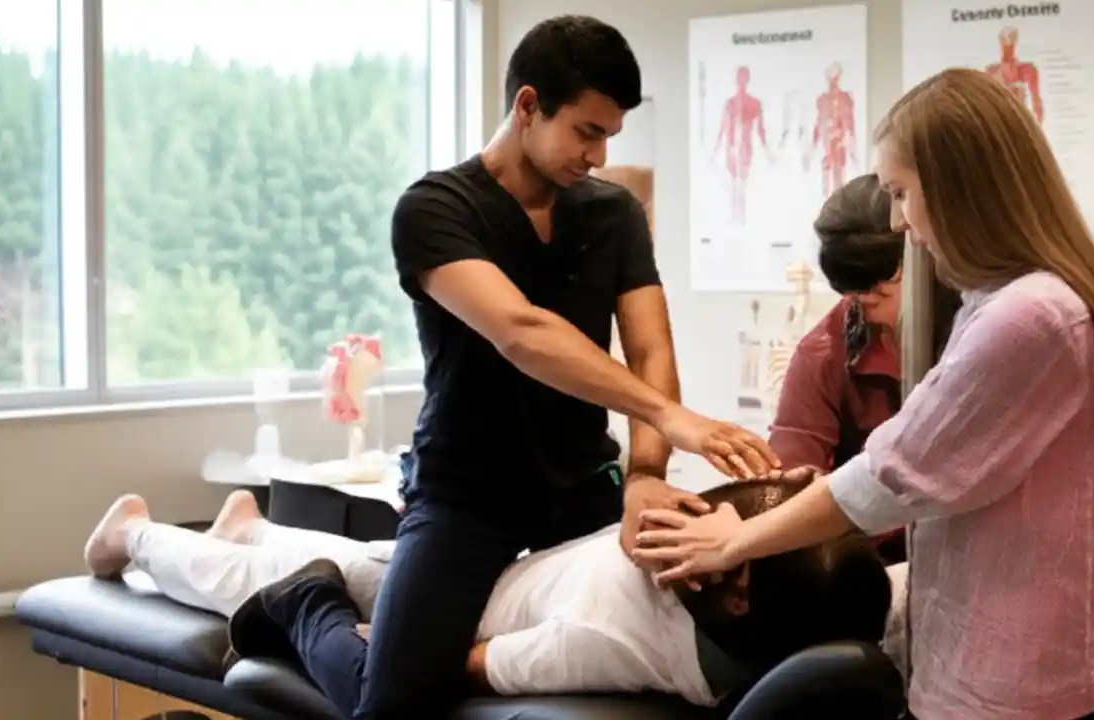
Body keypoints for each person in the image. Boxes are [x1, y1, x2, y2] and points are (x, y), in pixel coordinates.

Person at [230, 16, 779, 720]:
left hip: (582, 483)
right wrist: (672, 417)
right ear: (527, 106)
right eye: (586, 131)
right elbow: (521, 332)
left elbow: (650, 348)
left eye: (610, 134)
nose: (599, 153)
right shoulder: (434, 210)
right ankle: (307, 601)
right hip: (466, 491)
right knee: (391, 704)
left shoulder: (613, 214)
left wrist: (647, 473)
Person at [633, 67, 1094, 719]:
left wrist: (733, 543)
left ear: (958, 187)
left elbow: (890, 478)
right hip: (983, 670)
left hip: (1005, 693)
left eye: (903, 194)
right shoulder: (1005, 307)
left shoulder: (1031, 316)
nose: (901, 222)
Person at [82, 485, 890, 708]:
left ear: (737, 594)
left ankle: (137, 536)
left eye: (735, 533)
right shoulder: (781, 585)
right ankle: (250, 527)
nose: (720, 518)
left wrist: (382, 645)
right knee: (368, 556)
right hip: (489, 569)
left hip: (467, 609)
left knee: (296, 585)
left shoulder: (616, 641)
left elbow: (470, 667)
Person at [769, 174, 960, 565]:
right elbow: (791, 482)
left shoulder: (978, 334)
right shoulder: (823, 354)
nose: (861, 305)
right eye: (851, 294)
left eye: (880, 292)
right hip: (870, 565)